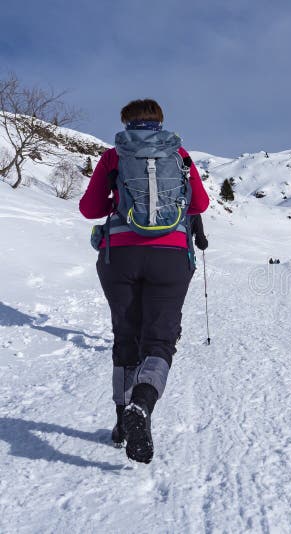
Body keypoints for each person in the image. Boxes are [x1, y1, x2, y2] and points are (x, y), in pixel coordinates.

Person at [79, 99, 209, 463]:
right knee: (160, 339)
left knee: (126, 335)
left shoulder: (113, 156)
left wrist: (117, 198)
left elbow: (89, 209)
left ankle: (122, 422)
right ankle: (143, 403)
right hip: (170, 257)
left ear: (126, 122)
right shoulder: (179, 154)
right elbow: (200, 203)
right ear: (160, 121)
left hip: (119, 255)